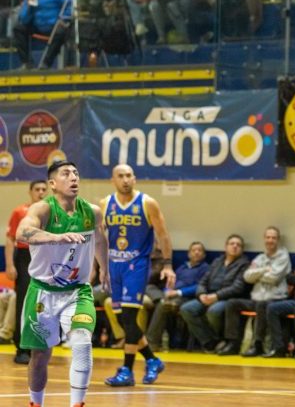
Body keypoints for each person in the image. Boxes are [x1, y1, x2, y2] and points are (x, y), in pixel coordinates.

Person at [15, 160, 108, 407]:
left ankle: (77, 404)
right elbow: (22, 233)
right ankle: (36, 403)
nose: (73, 177)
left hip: (77, 292)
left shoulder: (92, 211)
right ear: (53, 183)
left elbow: (100, 239)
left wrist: (105, 269)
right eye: (66, 174)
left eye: (76, 173)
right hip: (43, 293)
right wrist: (55, 237)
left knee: (82, 343)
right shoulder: (43, 209)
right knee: (40, 356)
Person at [101, 165, 174, 387]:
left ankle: (127, 370)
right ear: (113, 180)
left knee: (131, 318)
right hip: (114, 266)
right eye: (120, 176)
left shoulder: (147, 203)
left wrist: (168, 265)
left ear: (135, 178)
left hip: (136, 265)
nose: (125, 180)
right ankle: (152, 360)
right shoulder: (105, 204)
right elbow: (100, 238)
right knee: (125, 321)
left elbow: (163, 235)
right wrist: (99, 266)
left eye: (129, 176)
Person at [218, 227, 291, 357]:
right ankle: (233, 343)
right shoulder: (260, 258)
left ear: (278, 240)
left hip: (275, 299)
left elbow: (274, 277)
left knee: (261, 305)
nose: (270, 240)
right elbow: (247, 276)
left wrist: (257, 274)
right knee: (232, 303)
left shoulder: (283, 257)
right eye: (268, 237)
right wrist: (265, 270)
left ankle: (257, 344)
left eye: (273, 238)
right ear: (264, 239)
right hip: (256, 298)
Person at [178, 234, 249, 352]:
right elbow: (203, 282)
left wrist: (216, 296)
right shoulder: (217, 261)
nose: (235, 246)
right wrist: (201, 294)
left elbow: (238, 287)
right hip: (208, 295)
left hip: (227, 298)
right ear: (226, 247)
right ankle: (211, 342)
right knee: (187, 308)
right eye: (232, 244)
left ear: (242, 249)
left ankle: (214, 342)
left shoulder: (244, 264)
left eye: (238, 245)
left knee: (214, 311)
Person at [5, 180, 48, 365]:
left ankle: (38, 346)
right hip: (24, 257)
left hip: (45, 257)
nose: (40, 192)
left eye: (43, 190)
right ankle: (21, 348)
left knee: (43, 303)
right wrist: (9, 264)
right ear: (30, 192)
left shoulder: (51, 213)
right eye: (37, 189)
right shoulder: (20, 212)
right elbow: (10, 239)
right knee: (24, 301)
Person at [146, 241, 209, 352]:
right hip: (171, 294)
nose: (197, 252)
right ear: (189, 254)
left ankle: (152, 343)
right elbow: (170, 282)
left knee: (163, 305)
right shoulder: (182, 267)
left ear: (204, 255)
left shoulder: (205, 268)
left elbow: (200, 286)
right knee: (150, 287)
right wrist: (167, 291)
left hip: (186, 297)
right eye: (194, 250)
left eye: (200, 250)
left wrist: (179, 292)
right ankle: (160, 298)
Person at [13, 0, 70, 69]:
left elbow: (69, 5)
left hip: (56, 26)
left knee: (61, 31)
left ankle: (46, 64)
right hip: (38, 27)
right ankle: (27, 63)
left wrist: (64, 18)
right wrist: (30, 8)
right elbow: (24, 20)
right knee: (18, 28)